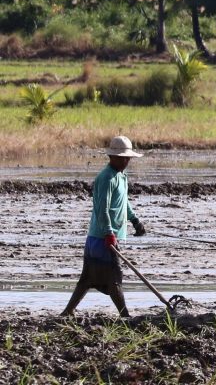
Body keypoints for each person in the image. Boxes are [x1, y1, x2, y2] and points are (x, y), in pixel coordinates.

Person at [62, 136, 146, 318]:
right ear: (112, 157)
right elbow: (102, 209)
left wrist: (135, 220)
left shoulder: (121, 176)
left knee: (87, 279)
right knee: (114, 277)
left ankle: (68, 311)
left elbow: (124, 203)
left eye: (128, 158)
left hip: (100, 237)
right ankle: (125, 315)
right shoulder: (106, 177)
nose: (127, 161)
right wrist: (109, 232)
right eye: (123, 157)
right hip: (102, 237)